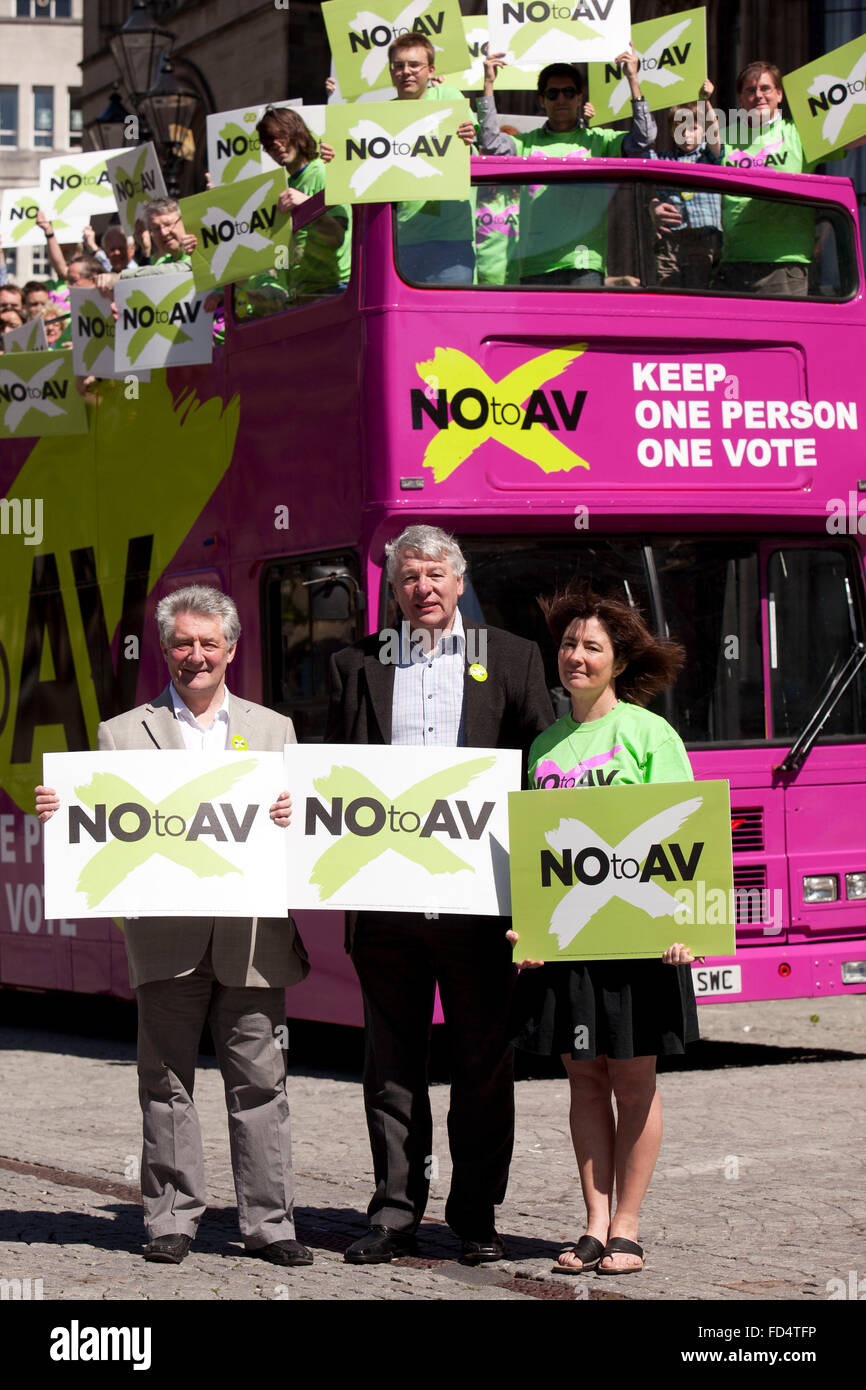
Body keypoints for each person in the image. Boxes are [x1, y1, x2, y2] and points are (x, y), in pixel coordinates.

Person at [35, 586, 313, 1269]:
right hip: (166, 939)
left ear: (232, 650)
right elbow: (100, 828)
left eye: (209, 643)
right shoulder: (122, 733)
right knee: (166, 1084)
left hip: (251, 938)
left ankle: (270, 1224)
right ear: (165, 650)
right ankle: (170, 1218)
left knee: (262, 1086)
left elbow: (309, 830)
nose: (196, 656)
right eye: (183, 644)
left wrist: (293, 816)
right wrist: (61, 811)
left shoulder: (274, 729)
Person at [326, 525, 553, 1265]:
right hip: (385, 899)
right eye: (407, 578)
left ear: (459, 582)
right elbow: (331, 775)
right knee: (390, 1063)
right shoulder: (353, 665)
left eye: (433, 575)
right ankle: (394, 1212)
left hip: (482, 899)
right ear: (391, 591)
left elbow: (544, 779)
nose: (421, 588)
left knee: (484, 1061)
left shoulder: (513, 657)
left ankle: (476, 1215)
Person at [508, 586, 699, 1275]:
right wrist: (527, 930)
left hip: (642, 939)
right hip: (569, 941)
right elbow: (538, 854)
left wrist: (688, 923)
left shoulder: (651, 735)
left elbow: (686, 835)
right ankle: (591, 1224)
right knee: (583, 1080)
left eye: (591, 646)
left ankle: (628, 1227)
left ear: (618, 661)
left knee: (633, 1081)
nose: (576, 657)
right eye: (568, 645)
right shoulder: (544, 746)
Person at [476, 49, 655, 285]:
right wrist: (489, 83)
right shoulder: (526, 143)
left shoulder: (599, 141)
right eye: (553, 94)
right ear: (542, 100)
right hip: (534, 265)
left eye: (569, 92)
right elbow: (489, 144)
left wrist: (633, 79)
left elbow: (644, 139)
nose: (561, 99)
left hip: (583, 263)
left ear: (580, 98)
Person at [323, 33, 477, 284]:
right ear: (391, 71)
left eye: (414, 65)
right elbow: (355, 168)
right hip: (400, 243)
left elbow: (470, 148)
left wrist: (469, 134)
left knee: (448, 321)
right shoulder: (380, 116)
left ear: (431, 70)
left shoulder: (448, 98)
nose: (406, 71)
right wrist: (334, 154)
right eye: (399, 66)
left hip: (450, 240)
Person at [715, 60, 866, 296]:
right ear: (741, 98)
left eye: (765, 88)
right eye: (750, 90)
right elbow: (684, 173)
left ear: (779, 94)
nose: (758, 96)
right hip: (732, 262)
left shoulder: (801, 134)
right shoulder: (722, 139)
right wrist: (656, 204)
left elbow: (856, 134)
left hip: (785, 261)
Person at [239, 105, 350, 312]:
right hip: (300, 292)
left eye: (283, 137)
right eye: (270, 143)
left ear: (298, 134)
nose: (277, 146)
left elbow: (337, 238)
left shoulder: (322, 172)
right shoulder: (283, 187)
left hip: (332, 288)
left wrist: (308, 206)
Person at [648, 80, 723, 290]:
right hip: (671, 237)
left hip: (703, 236)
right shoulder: (663, 160)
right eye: (680, 128)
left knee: (699, 290)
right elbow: (640, 149)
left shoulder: (708, 157)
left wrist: (704, 101)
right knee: (666, 287)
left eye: (693, 128)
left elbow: (715, 132)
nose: (687, 133)